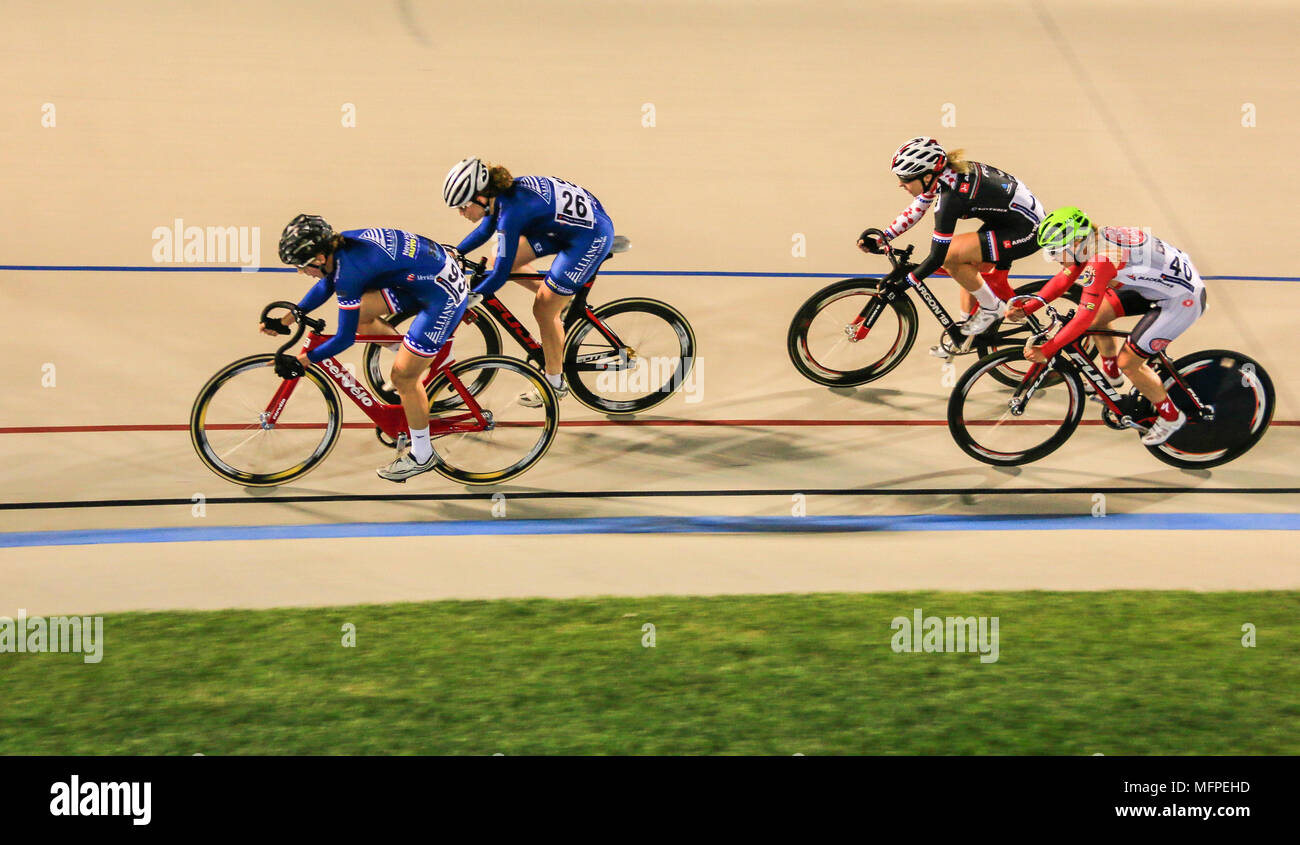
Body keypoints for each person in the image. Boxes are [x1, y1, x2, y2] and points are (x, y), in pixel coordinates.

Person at [269, 214, 469, 480]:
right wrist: (291, 316)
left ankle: (422, 455)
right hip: (421, 278)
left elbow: (344, 338)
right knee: (362, 314)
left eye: (302, 266)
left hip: (441, 296)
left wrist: (306, 359)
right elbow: (328, 282)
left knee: (402, 378)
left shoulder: (351, 272)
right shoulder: (342, 246)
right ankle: (412, 356)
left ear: (318, 258)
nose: (301, 272)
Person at [1012, 206, 1207, 446]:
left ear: (1074, 243)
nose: (1052, 258)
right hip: (1156, 286)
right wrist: (1030, 306)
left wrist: (1048, 349)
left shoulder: (1102, 259)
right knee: (1098, 318)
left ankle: (1171, 417)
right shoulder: (1092, 239)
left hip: (1180, 300)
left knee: (1130, 362)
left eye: (1054, 252)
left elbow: (1082, 317)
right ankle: (1112, 379)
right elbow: (1068, 274)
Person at [443, 157, 616, 405]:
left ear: (481, 196)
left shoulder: (512, 212)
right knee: (498, 258)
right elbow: (485, 231)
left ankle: (555, 384)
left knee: (544, 309)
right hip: (563, 227)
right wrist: (457, 251)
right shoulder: (500, 197)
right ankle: (562, 301)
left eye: (463, 206)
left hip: (589, 238)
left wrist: (471, 297)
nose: (461, 213)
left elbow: (501, 276)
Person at [858, 136, 1046, 337]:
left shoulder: (951, 198)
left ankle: (992, 309)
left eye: (905, 179)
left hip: (1026, 230)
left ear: (927, 177)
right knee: (967, 268)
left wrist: (904, 285)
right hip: (1009, 221)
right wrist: (883, 237)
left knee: (951, 258)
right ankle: (966, 332)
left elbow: (937, 257)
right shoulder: (945, 174)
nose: (900, 184)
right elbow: (917, 208)